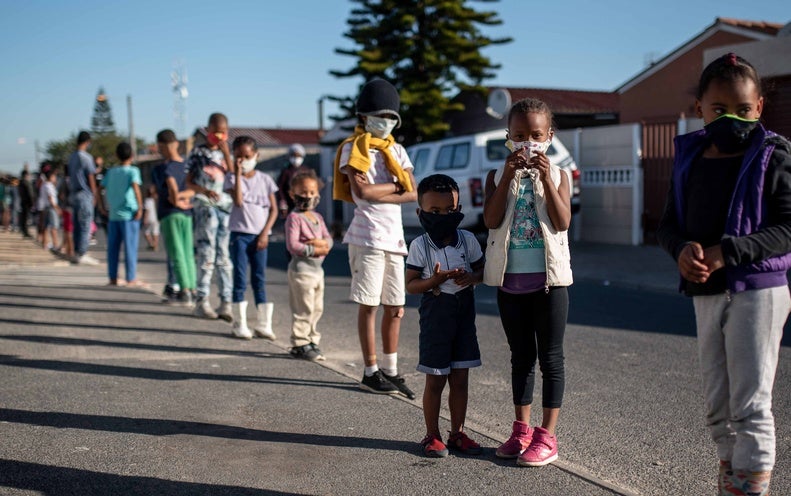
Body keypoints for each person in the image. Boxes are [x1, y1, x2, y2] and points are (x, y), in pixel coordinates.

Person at [656, 53, 791, 496]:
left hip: (758, 291)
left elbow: (787, 229)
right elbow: (669, 225)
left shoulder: (774, 155)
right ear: (699, 109)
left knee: (751, 408)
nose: (732, 118)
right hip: (706, 292)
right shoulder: (689, 158)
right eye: (719, 110)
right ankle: (731, 487)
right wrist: (680, 251)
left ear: (759, 109)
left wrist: (726, 253)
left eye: (744, 110)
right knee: (718, 410)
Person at [482, 97, 573, 467]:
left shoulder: (559, 175)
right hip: (510, 282)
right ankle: (521, 431)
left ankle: (547, 437)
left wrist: (546, 179)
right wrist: (507, 175)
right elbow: (490, 219)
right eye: (519, 135)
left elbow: (563, 221)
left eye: (536, 135)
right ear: (508, 137)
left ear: (549, 136)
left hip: (550, 283)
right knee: (521, 358)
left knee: (550, 358)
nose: (527, 142)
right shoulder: (495, 176)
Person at [332, 78, 418, 398]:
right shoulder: (352, 150)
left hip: (394, 239)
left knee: (396, 308)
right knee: (369, 306)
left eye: (392, 117)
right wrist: (396, 188)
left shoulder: (397, 150)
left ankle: (391, 369)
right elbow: (361, 191)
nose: (387, 122)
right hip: (366, 235)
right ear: (363, 117)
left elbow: (413, 193)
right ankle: (370, 370)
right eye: (381, 115)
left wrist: (388, 191)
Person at [405, 174, 485, 458]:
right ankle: (432, 435)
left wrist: (472, 278)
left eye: (450, 211)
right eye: (434, 212)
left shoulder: (468, 241)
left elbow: (482, 272)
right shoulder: (419, 246)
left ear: (459, 208)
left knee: (461, 378)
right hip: (436, 318)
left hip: (463, 317)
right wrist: (434, 281)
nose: (443, 217)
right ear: (421, 212)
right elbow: (411, 285)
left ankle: (457, 433)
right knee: (436, 379)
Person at [224, 136, 278, 339]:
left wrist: (265, 233)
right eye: (238, 156)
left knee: (259, 278)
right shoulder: (231, 178)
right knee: (239, 278)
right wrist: (237, 173)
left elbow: (273, 210)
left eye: (247, 156)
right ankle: (240, 323)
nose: (243, 160)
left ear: (256, 155)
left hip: (260, 237)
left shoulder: (265, 180)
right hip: (240, 235)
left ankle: (264, 324)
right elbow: (238, 201)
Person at [186, 113, 234, 322]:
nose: (219, 135)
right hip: (205, 206)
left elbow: (234, 178)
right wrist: (204, 191)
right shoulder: (197, 153)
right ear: (208, 130)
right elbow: (188, 181)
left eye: (222, 132)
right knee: (207, 253)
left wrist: (227, 154)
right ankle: (202, 300)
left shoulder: (228, 153)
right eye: (215, 131)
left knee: (223, 255)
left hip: (225, 207)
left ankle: (226, 302)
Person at [285, 170, 333, 360]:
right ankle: (300, 342)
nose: (309, 197)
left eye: (312, 193)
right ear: (293, 194)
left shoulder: (317, 218)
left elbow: (328, 239)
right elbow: (293, 245)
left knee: (316, 308)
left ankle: (312, 338)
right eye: (304, 193)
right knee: (303, 308)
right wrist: (313, 248)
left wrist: (321, 243)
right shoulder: (294, 218)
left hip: (317, 271)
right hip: (301, 271)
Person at [155, 129, 196, 306]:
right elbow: (194, 188)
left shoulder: (166, 167)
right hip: (187, 214)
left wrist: (174, 199)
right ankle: (193, 289)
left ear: (162, 146)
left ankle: (184, 291)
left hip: (170, 214)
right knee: (188, 253)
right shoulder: (186, 165)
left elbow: (171, 185)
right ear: (177, 143)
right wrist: (183, 198)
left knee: (176, 253)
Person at [100, 142, 144, 287]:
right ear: (131, 155)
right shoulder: (133, 171)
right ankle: (130, 278)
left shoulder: (111, 172)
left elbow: (99, 188)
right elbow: (136, 188)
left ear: (117, 156)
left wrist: (101, 206)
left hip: (113, 215)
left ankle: (113, 278)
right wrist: (140, 207)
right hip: (129, 214)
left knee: (113, 248)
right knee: (130, 247)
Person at [67, 131, 99, 265]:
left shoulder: (72, 157)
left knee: (77, 225)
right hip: (84, 193)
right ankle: (82, 252)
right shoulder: (86, 157)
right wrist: (95, 194)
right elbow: (90, 176)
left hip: (74, 193)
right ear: (87, 142)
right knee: (86, 224)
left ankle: (76, 252)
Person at [276, 143, 310, 218]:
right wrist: (282, 201)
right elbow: (280, 187)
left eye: (298, 156)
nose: (296, 158)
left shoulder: (306, 170)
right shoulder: (286, 171)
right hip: (290, 203)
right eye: (294, 156)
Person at [41, 167, 61, 252]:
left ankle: (45, 244)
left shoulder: (44, 185)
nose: (55, 178)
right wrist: (57, 208)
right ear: (51, 176)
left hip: (46, 207)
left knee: (45, 227)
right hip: (51, 208)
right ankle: (55, 245)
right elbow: (50, 198)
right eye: (54, 176)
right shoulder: (49, 186)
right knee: (54, 227)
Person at [17, 169, 34, 238]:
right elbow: (30, 194)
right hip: (27, 203)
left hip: (22, 202)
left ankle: (24, 231)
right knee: (26, 218)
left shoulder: (20, 183)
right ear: (26, 175)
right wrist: (32, 202)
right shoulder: (26, 183)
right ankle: (26, 232)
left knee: (24, 218)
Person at [143, 184, 160, 251]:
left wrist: (145, 218)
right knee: (155, 232)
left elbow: (147, 211)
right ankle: (155, 245)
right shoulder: (157, 199)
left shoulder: (148, 200)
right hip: (157, 217)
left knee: (146, 232)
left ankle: (151, 243)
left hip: (150, 218)